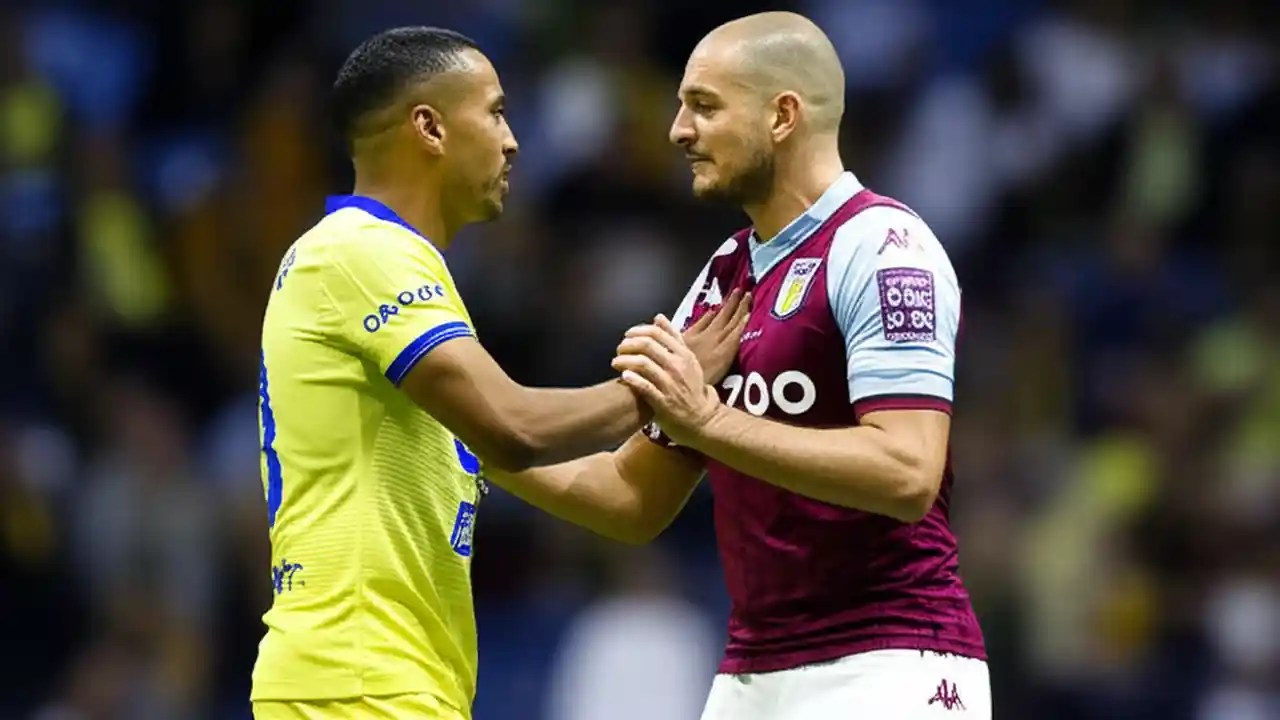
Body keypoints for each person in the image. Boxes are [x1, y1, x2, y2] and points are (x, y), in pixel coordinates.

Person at [487, 12, 989, 719]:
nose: (678, 131)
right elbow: (631, 498)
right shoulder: (726, 274)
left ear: (783, 115)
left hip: (890, 661)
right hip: (752, 674)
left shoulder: (884, 246)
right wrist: (475, 445)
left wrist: (707, 420)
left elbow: (908, 472)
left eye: (705, 106)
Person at [250, 27, 746, 720]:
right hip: (357, 685)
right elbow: (516, 428)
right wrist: (669, 379)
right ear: (429, 126)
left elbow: (622, 502)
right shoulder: (358, 254)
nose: (513, 141)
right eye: (495, 112)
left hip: (390, 689)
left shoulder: (406, 322)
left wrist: (712, 397)